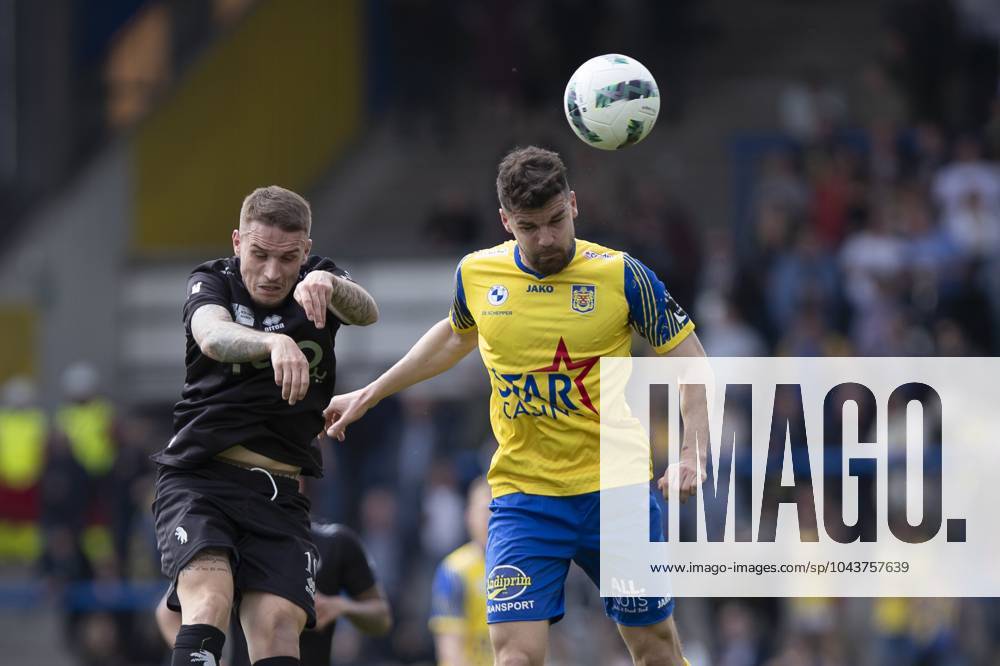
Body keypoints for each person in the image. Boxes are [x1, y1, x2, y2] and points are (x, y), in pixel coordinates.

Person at [325, 147, 704, 666]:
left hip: (616, 492)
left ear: (574, 204)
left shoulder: (622, 276)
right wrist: (370, 392)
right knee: (514, 658)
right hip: (525, 497)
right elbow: (455, 336)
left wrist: (691, 452)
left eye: (556, 220)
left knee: (655, 649)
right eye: (529, 227)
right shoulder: (478, 274)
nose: (546, 238)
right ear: (506, 221)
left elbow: (692, 361)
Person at [150, 185, 378, 666]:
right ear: (237, 243)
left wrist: (332, 284)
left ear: (305, 251)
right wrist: (272, 343)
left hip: (280, 493)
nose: (273, 273)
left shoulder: (319, 280)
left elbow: (367, 311)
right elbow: (211, 335)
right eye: (259, 254)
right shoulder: (213, 281)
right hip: (201, 480)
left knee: (276, 627)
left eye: (288, 258)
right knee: (209, 601)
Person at [156, 520, 393, 665]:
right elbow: (167, 613)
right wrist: (212, 660)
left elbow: (382, 618)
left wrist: (341, 606)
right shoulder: (237, 541)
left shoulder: (336, 542)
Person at [429, 476, 492, 666]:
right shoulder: (454, 570)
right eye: (485, 511)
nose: (490, 518)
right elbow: (450, 651)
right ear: (469, 516)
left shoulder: (522, 568)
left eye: (497, 511)